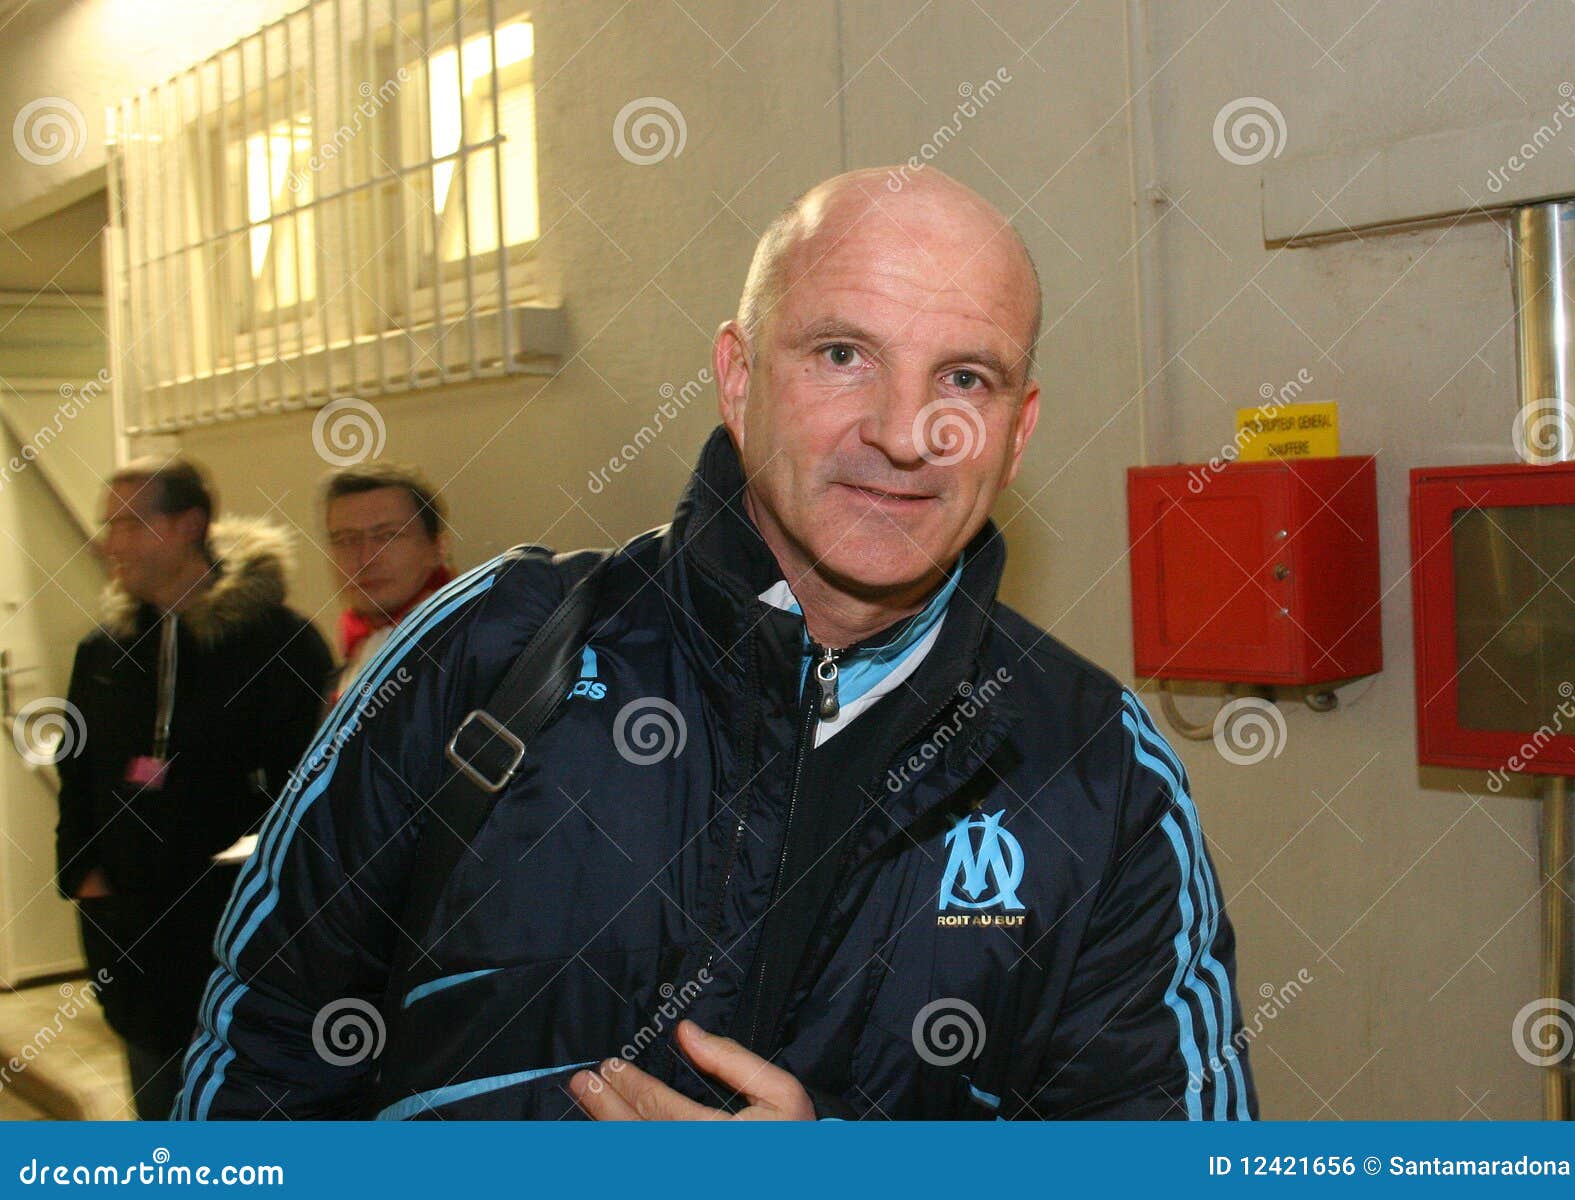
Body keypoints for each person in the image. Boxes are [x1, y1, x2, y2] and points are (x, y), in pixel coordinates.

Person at [175, 167, 1256, 1121]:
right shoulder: (489, 655)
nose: (902, 430)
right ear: (738, 381)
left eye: (964, 377)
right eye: (842, 353)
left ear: (1016, 433)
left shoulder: (1098, 769)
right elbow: (258, 1071)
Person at [55, 456, 333, 1119]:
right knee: (159, 1113)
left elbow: (310, 789)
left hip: (237, 942)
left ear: (189, 525)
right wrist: (84, 877)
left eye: (129, 522)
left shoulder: (279, 643)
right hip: (133, 940)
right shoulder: (103, 653)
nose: (110, 542)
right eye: (108, 523)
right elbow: (78, 773)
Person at [322, 462, 454, 702]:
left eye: (387, 536)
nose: (366, 558)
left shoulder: (469, 653)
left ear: (438, 548)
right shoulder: (341, 670)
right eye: (346, 540)